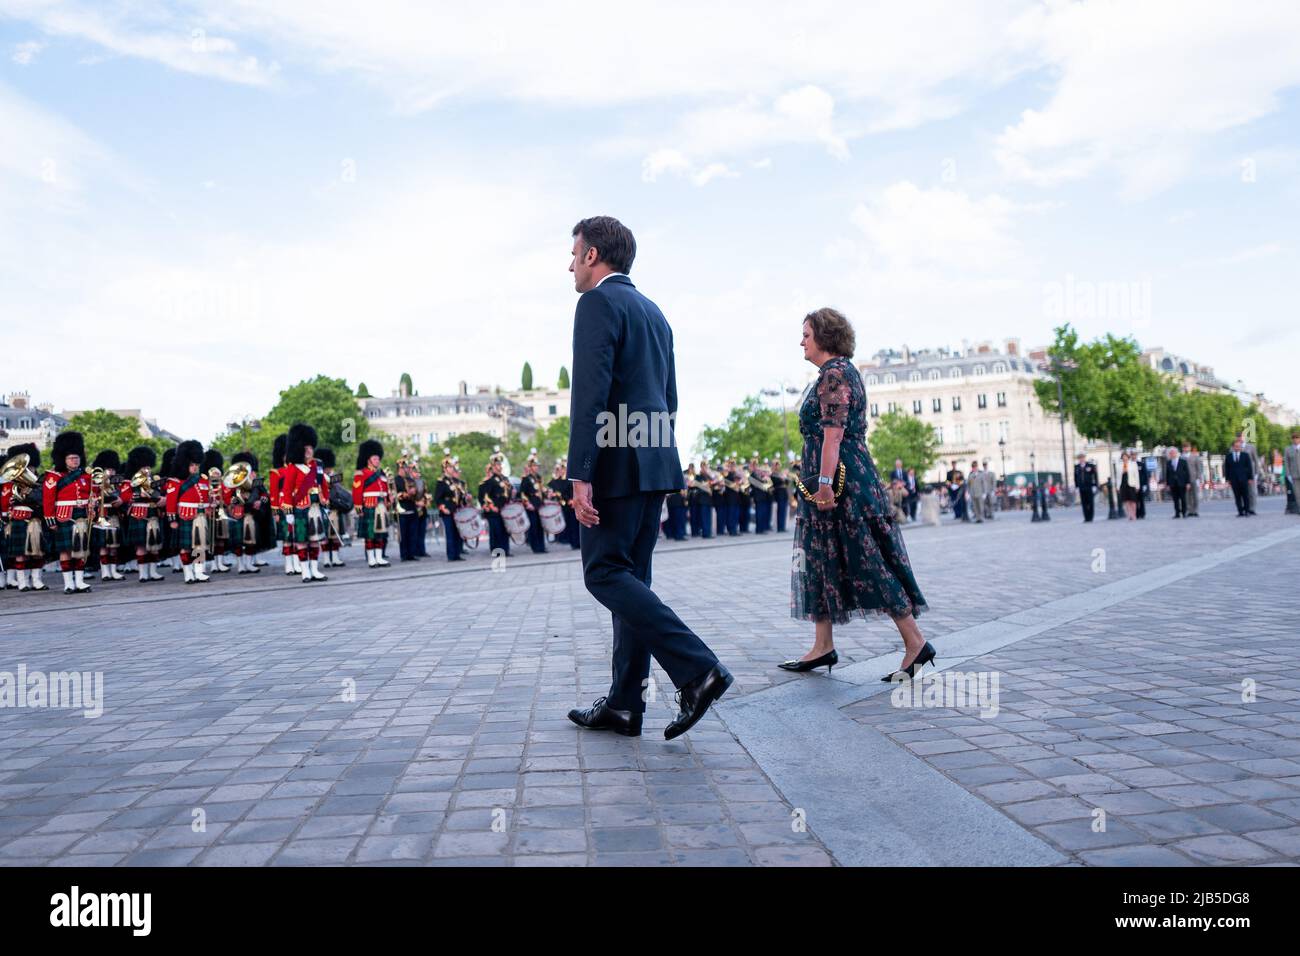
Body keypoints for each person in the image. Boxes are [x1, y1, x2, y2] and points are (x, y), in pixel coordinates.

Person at [564, 215, 731, 741]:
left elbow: (588, 395)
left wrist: (581, 473)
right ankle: (624, 704)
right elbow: (671, 397)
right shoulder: (656, 313)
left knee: (604, 575)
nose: (569, 263)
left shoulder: (596, 302)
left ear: (593, 255)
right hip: (655, 457)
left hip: (614, 462)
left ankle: (698, 668)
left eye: (574, 253)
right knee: (631, 578)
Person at [782, 308, 931, 681]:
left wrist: (826, 484)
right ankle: (822, 645)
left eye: (806, 334)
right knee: (821, 559)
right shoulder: (837, 373)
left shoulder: (835, 374)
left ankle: (915, 642)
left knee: (868, 562)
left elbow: (833, 434)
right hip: (836, 477)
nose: (801, 341)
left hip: (842, 482)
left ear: (824, 337)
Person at [43, 431, 95, 594]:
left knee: (81, 549)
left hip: (82, 514)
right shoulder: (54, 476)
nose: (75, 461)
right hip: (64, 515)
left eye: (77, 458)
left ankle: (80, 582)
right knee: (65, 551)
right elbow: (48, 499)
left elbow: (93, 493)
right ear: (63, 459)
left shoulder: (87, 475)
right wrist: (50, 519)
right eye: (71, 458)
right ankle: (68, 583)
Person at [280, 423, 329, 581]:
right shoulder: (293, 468)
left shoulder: (318, 466)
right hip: (300, 507)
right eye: (306, 448)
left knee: (315, 541)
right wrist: (289, 513)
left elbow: (323, 486)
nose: (309, 450)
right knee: (301, 541)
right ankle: (305, 571)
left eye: (310, 447)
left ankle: (314, 570)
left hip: (316, 507)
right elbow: (287, 491)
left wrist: (325, 503)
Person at [163, 439, 212, 585]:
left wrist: (212, 503)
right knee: (184, 547)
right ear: (184, 464)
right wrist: (172, 520)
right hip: (185, 515)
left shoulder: (203, 481)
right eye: (192, 465)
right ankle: (188, 573)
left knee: (200, 545)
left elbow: (206, 498)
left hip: (201, 516)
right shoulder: (176, 482)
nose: (195, 467)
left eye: (197, 464)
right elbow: (171, 502)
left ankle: (199, 572)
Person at [2, 443, 48, 591]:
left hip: (35, 520)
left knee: (37, 553)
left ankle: (36, 580)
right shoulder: (11, 485)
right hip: (19, 520)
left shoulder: (40, 482)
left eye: (30, 467)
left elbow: (43, 501)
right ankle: (22, 582)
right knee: (20, 553)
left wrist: (30, 495)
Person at [121, 445, 164, 582]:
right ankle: (143, 574)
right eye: (144, 467)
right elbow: (124, 496)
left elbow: (161, 494)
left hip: (152, 513)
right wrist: (138, 494)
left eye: (148, 467)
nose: (147, 470)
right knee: (141, 546)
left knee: (154, 545)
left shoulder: (153, 480)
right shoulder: (130, 481)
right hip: (139, 513)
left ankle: (153, 572)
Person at [353, 439, 392, 567]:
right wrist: (359, 508)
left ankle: (379, 557)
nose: (377, 460)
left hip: (381, 506)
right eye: (374, 458)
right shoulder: (361, 473)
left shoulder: (381, 474)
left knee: (380, 534)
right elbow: (357, 491)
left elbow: (386, 490)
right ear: (368, 459)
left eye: (378, 458)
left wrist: (389, 499)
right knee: (370, 534)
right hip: (369, 505)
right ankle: (371, 558)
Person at [435, 451, 467, 561]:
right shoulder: (441, 482)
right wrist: (443, 508)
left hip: (457, 510)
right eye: (449, 467)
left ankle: (457, 554)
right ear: (444, 468)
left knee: (458, 532)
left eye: (452, 467)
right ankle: (451, 555)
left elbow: (460, 495)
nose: (452, 469)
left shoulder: (456, 481)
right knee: (450, 533)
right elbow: (438, 498)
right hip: (448, 510)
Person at [518, 451, 549, 554]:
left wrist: (545, 494)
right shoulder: (526, 479)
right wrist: (527, 504)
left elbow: (540, 490)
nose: (537, 468)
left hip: (539, 505)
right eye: (535, 466)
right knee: (534, 527)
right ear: (530, 467)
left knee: (540, 527)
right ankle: (535, 548)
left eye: (537, 466)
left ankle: (542, 547)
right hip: (531, 505)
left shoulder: (539, 477)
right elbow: (522, 493)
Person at [548, 458, 582, 549]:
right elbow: (562, 491)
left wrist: (575, 499)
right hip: (568, 504)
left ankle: (578, 542)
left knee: (576, 524)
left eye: (564, 468)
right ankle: (574, 543)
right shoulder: (562, 480)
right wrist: (569, 499)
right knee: (571, 524)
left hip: (575, 503)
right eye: (562, 469)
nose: (563, 470)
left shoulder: (571, 479)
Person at [1225, 437, 1255, 516]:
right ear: (1233, 447)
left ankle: (1247, 510)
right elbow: (1227, 468)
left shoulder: (1245, 455)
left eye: (1239, 446)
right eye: (1236, 446)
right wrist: (1227, 479)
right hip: (1234, 479)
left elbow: (1249, 467)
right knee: (1237, 496)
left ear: (1241, 447)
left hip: (1244, 479)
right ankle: (1240, 511)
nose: (1237, 448)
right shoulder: (1229, 456)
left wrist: (1250, 478)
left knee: (1246, 495)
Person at [1164, 446, 1190, 518]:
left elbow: (1187, 473)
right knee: (1175, 500)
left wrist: (1188, 483)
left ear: (1176, 453)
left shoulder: (1183, 461)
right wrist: (1168, 484)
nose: (1172, 454)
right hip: (1173, 484)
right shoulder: (1169, 463)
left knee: (1183, 499)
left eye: (1173, 453)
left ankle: (1184, 512)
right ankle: (1177, 513)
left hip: (1182, 483)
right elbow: (1167, 474)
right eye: (1170, 453)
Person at [1074, 453, 1097, 522]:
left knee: (1090, 502)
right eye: (1080, 458)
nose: (1081, 459)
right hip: (1081, 487)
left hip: (1089, 486)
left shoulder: (1090, 465)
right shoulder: (1077, 467)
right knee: (1084, 503)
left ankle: (1091, 517)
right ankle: (1086, 518)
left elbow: (1094, 476)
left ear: (1084, 458)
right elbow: (1075, 477)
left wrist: (1094, 485)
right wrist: (1077, 487)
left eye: (1082, 458)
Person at [1119, 451, 1139, 520]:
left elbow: (1136, 475)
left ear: (1128, 457)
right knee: (1126, 501)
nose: (1125, 458)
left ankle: (1134, 514)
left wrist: (1137, 485)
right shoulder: (1119, 465)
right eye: (1123, 457)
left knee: (1133, 501)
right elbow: (1118, 477)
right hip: (1123, 484)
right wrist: (1117, 486)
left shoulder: (1133, 464)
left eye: (1126, 456)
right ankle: (1129, 515)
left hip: (1131, 484)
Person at [1184, 443, 1202, 517]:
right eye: (1184, 447)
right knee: (1187, 496)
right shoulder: (1182, 457)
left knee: (1195, 495)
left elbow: (1198, 468)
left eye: (1187, 447)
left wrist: (1198, 478)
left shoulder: (1195, 456)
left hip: (1193, 478)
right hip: (1185, 480)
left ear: (1190, 448)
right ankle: (1189, 510)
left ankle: (1195, 510)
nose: (1186, 449)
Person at [1284, 433, 1300, 516]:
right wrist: (1288, 474)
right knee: (1297, 493)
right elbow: (1286, 463)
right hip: (1294, 475)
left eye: (1297, 438)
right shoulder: (1288, 449)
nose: (1295, 439)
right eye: (1294, 438)